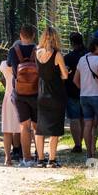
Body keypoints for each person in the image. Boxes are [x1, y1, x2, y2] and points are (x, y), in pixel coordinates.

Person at [6, 24, 41, 166]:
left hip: (19, 92)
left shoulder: (13, 50)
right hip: (36, 92)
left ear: (20, 35)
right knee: (37, 126)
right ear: (33, 35)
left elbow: (9, 66)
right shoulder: (39, 50)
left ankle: (27, 159)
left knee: (24, 126)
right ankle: (40, 156)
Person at [35, 26, 69, 167]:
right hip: (56, 94)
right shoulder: (57, 55)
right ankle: (52, 160)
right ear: (56, 38)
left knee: (40, 128)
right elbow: (65, 75)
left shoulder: (37, 52)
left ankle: (40, 159)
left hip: (42, 93)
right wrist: (65, 71)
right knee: (54, 128)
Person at [76, 36, 98, 160]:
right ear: (95, 47)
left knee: (88, 124)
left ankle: (89, 153)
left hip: (84, 96)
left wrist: (84, 88)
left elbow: (75, 80)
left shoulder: (82, 59)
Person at [63, 31, 87, 155]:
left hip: (72, 91)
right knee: (84, 119)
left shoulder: (68, 58)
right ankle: (82, 142)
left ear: (71, 43)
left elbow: (64, 75)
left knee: (74, 118)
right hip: (87, 90)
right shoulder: (88, 56)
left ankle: (77, 144)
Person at [0, 43, 21, 165]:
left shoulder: (4, 65)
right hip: (22, 96)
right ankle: (20, 152)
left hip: (8, 97)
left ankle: (7, 157)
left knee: (7, 129)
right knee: (21, 128)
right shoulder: (24, 64)